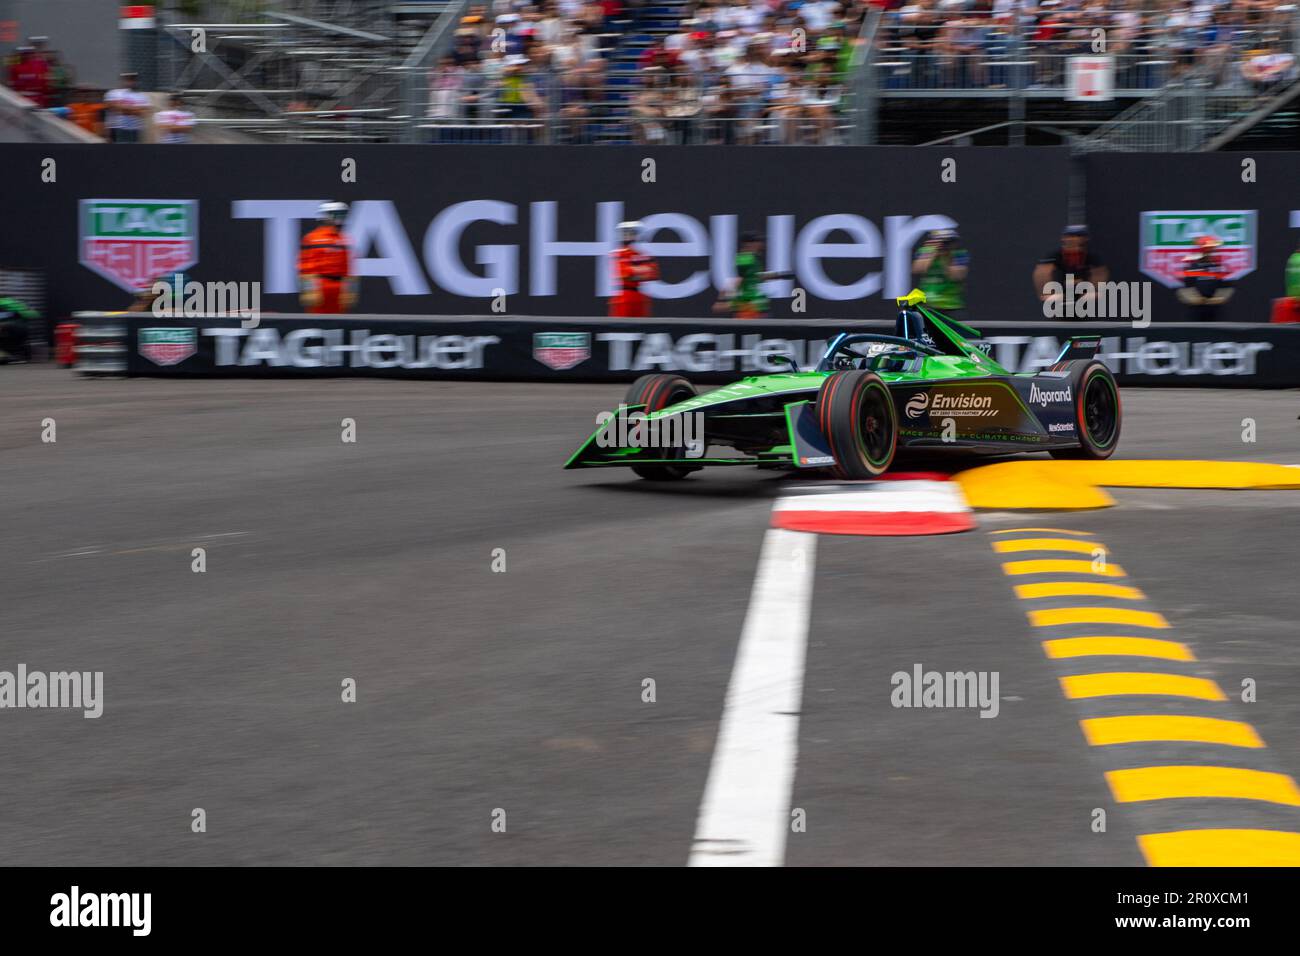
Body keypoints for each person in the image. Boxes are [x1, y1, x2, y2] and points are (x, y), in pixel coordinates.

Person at [1033, 225, 1108, 315]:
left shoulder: (1090, 256)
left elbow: (1100, 273)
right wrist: (1047, 293)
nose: (1073, 239)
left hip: (1084, 301)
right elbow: (1042, 272)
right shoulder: (1056, 255)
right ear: (1063, 238)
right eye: (1070, 236)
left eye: (1078, 236)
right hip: (1061, 299)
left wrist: (1095, 291)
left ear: (1085, 239)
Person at [298, 202, 355, 315]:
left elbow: (348, 270)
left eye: (342, 215)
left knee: (339, 322)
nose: (341, 218)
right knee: (317, 320)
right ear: (326, 216)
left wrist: (350, 291)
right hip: (320, 286)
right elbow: (306, 268)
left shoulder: (345, 239)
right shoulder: (312, 238)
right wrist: (309, 290)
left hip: (340, 288)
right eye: (337, 214)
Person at [715, 232, 780, 318]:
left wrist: (776, 275)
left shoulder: (753, 259)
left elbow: (753, 277)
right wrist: (723, 302)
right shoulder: (746, 259)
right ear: (749, 244)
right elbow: (738, 279)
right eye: (757, 241)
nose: (761, 243)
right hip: (749, 310)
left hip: (758, 307)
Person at [911, 228, 969, 315]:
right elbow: (918, 269)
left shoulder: (959, 254)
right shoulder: (925, 251)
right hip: (928, 304)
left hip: (950, 305)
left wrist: (946, 257)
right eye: (940, 242)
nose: (943, 245)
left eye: (947, 243)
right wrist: (933, 253)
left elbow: (957, 276)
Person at [609, 220, 658, 318]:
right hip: (624, 296)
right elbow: (625, 274)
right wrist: (641, 270)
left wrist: (634, 270)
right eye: (625, 233)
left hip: (639, 297)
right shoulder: (618, 253)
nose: (628, 235)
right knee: (621, 328)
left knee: (642, 328)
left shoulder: (642, 254)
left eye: (632, 233)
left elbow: (653, 273)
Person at [1177, 234, 1232, 321]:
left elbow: (1226, 286)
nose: (1212, 251)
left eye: (1213, 249)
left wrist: (1219, 298)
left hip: (1215, 311)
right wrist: (1195, 299)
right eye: (1209, 249)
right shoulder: (1192, 267)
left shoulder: (1219, 267)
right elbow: (1184, 288)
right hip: (1195, 311)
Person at [104, 72, 150, 143]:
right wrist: (136, 109)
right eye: (128, 79)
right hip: (118, 128)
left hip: (135, 129)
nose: (130, 81)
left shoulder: (142, 96)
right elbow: (114, 108)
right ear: (122, 80)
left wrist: (124, 109)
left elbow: (144, 113)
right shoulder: (113, 93)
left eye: (133, 79)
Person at [0, 295, 36, 363]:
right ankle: (23, 355)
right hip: (24, 330)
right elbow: (33, 314)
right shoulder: (14, 304)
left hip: (13, 330)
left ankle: (5, 356)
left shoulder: (3, 304)